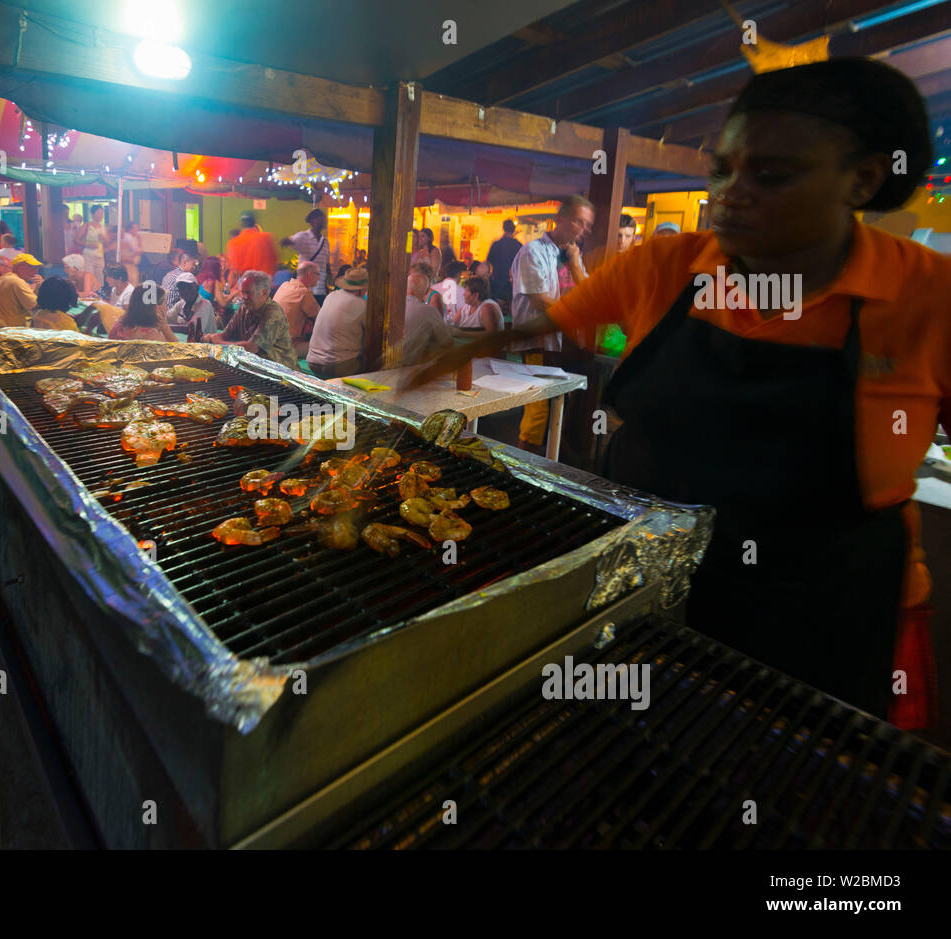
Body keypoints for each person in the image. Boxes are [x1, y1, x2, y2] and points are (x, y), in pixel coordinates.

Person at [408, 58, 951, 721]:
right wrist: (450, 350)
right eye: (722, 171)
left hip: (820, 619)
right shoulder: (665, 267)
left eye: (771, 175)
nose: (731, 193)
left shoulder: (929, 296)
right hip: (642, 586)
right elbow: (539, 323)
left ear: (863, 178)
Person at [509, 195, 594, 452]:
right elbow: (538, 300)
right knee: (538, 411)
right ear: (560, 219)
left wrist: (577, 265)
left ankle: (548, 465)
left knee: (559, 407)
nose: (583, 229)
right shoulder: (532, 251)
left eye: (587, 224)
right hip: (539, 341)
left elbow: (589, 294)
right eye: (578, 221)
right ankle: (525, 468)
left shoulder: (572, 256)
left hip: (567, 343)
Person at [206, 270, 297, 369]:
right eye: (243, 292)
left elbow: (252, 347)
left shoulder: (273, 312)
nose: (244, 297)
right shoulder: (245, 307)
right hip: (256, 366)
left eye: (248, 293)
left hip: (281, 371)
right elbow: (226, 334)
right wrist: (210, 337)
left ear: (264, 293)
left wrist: (219, 343)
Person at [305, 267, 368, 378]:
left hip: (312, 362)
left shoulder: (331, 296)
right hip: (337, 366)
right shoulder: (361, 304)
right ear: (362, 290)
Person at [402, 270, 453, 367]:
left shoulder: (391, 305)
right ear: (426, 291)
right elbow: (447, 342)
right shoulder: (429, 311)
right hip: (412, 369)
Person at [273, 260, 322, 359]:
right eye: (318, 274)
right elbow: (322, 320)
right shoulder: (304, 293)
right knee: (324, 346)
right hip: (287, 347)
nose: (319, 278)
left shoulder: (285, 285)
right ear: (310, 274)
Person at [281, 209, 330, 303]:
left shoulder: (325, 242)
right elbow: (293, 241)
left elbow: (326, 264)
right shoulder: (303, 236)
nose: (323, 220)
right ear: (312, 221)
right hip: (305, 289)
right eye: (320, 218)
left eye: (323, 218)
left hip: (320, 290)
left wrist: (327, 283)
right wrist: (287, 241)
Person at [0, 254, 44, 328]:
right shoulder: (16, 282)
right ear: (20, 268)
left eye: (37, 268)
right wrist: (45, 288)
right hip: (7, 332)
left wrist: (38, 287)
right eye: (32, 267)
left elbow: (27, 301)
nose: (36, 271)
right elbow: (36, 306)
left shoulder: (6, 278)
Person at [109, 283, 177, 342]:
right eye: (165, 304)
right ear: (155, 307)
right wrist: (165, 327)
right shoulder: (150, 335)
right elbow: (179, 352)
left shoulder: (118, 326)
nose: (166, 308)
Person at [225, 212, 277, 284]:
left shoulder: (233, 242)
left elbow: (233, 268)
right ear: (254, 223)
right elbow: (274, 261)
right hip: (264, 283)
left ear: (241, 224)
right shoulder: (266, 238)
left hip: (245, 283)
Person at [485, 219, 522, 315]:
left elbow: (488, 262)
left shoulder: (496, 244)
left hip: (497, 281)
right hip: (513, 282)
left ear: (503, 228)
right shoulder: (518, 246)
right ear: (514, 230)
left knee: (497, 310)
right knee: (512, 309)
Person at [78, 205, 106, 294]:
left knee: (100, 279)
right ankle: (88, 296)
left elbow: (107, 241)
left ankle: (99, 297)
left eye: (102, 213)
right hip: (89, 256)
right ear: (93, 214)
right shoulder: (87, 225)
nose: (101, 215)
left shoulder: (102, 226)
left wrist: (104, 238)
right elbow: (76, 239)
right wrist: (87, 245)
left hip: (100, 256)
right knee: (89, 277)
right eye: (98, 213)